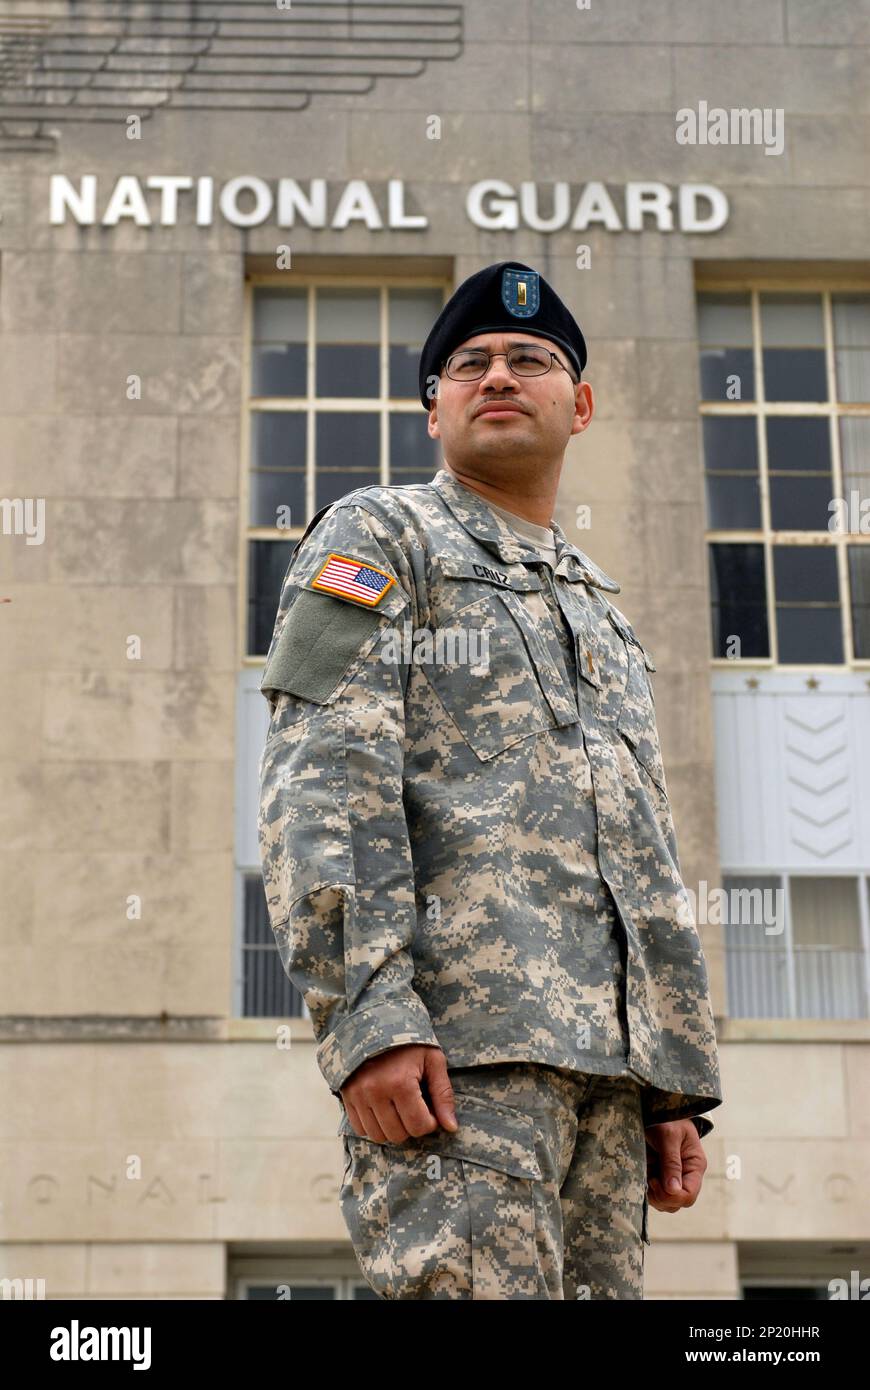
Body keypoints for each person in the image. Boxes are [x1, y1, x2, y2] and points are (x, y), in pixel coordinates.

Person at [257, 260, 722, 1300]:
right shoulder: (381, 539)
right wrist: (370, 1011)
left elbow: (641, 850)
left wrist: (672, 1081)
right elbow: (325, 774)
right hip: (459, 1065)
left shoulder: (601, 609)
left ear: (581, 404)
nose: (499, 374)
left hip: (609, 1083)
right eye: (469, 364)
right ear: (435, 409)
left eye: (531, 359)